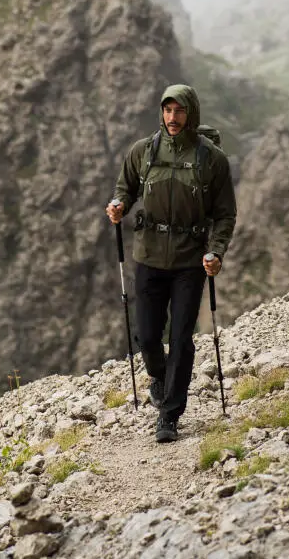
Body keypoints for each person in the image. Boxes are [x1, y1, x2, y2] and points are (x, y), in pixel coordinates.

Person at [106, 84, 237, 443]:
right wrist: (118, 203)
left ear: (191, 113)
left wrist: (216, 251)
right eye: (167, 111)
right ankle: (159, 377)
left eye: (179, 111)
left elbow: (225, 214)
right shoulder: (143, 151)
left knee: (181, 337)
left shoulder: (211, 159)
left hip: (189, 260)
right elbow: (126, 187)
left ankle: (169, 414)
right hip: (148, 255)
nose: (172, 118)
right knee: (148, 335)